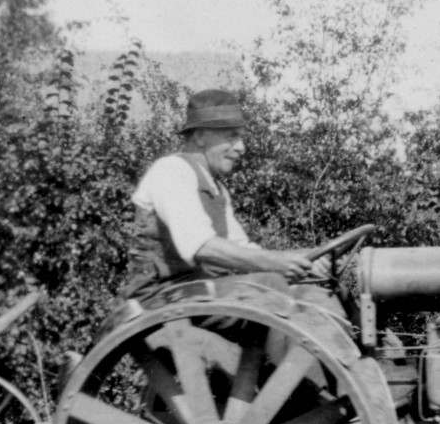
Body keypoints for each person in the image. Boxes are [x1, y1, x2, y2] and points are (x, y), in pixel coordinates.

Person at [124, 89, 319, 296]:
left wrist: (306, 258)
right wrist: (274, 262)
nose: (241, 147)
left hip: (196, 291)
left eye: (242, 138)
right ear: (200, 136)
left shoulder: (216, 189)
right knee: (270, 285)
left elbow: (240, 248)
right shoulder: (172, 171)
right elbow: (199, 245)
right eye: (232, 137)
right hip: (160, 295)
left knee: (310, 294)